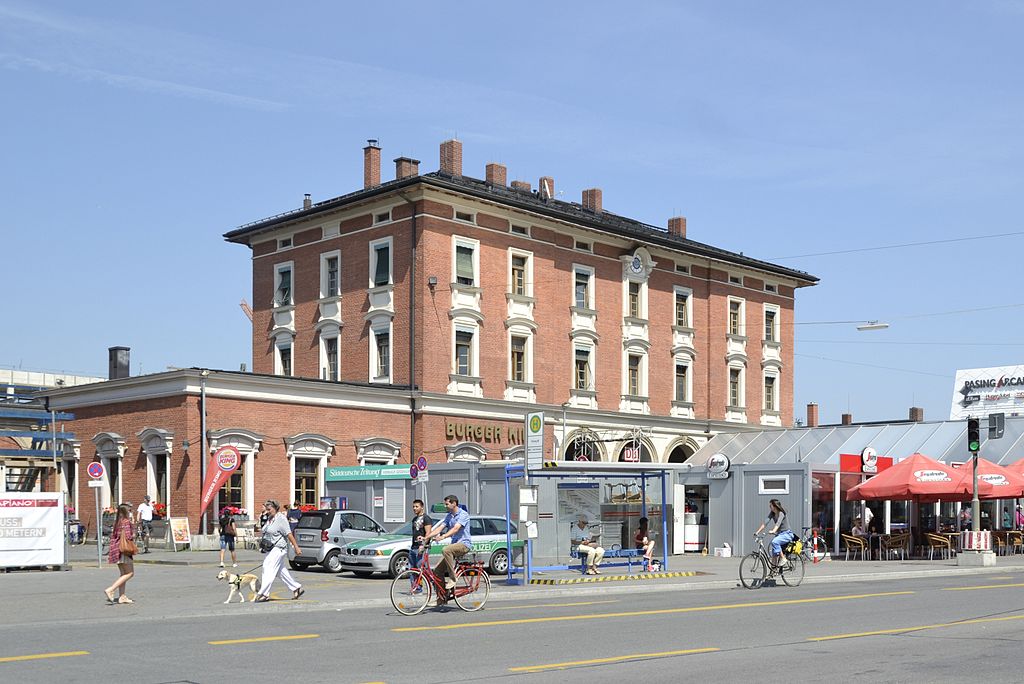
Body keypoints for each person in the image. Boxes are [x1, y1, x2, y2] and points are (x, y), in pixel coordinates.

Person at [423, 494, 471, 605]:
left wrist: (443, 537)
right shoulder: (449, 516)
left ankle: (453, 578)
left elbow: (456, 529)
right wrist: (426, 537)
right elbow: (440, 528)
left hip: (464, 544)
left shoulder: (463, 514)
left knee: (446, 550)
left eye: (447, 504)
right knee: (437, 571)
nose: (445, 506)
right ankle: (442, 598)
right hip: (454, 546)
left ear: (454, 503)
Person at [254, 500, 305, 602]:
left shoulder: (281, 518)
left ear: (276, 508)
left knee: (267, 567)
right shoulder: (270, 518)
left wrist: (296, 547)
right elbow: (264, 531)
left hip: (279, 548)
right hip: (270, 548)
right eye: (267, 509)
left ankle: (264, 593)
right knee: (279, 571)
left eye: (269, 509)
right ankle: (296, 588)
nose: (267, 511)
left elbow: (288, 534)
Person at [104, 504, 136, 605]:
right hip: (124, 550)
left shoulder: (117, 522)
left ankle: (122, 596)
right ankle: (111, 589)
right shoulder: (126, 522)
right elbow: (128, 536)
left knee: (123, 574)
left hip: (117, 550)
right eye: (129, 511)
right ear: (125, 512)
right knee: (130, 573)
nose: (131, 513)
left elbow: (115, 535)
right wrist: (133, 531)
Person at [755, 499, 795, 569]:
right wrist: (757, 532)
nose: (769, 506)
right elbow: (765, 523)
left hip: (787, 534)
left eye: (770, 505)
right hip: (780, 534)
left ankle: (783, 558)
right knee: (774, 553)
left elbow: (778, 523)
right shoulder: (772, 513)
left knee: (774, 542)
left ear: (774, 506)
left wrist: (773, 530)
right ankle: (773, 571)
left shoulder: (781, 513)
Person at [408, 499, 433, 583]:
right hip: (414, 546)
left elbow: (428, 533)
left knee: (420, 567)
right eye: (413, 507)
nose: (414, 508)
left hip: (422, 547)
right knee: (412, 568)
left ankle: (433, 583)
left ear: (422, 507)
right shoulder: (414, 519)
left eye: (416, 506)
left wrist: (423, 545)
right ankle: (415, 588)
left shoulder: (426, 518)